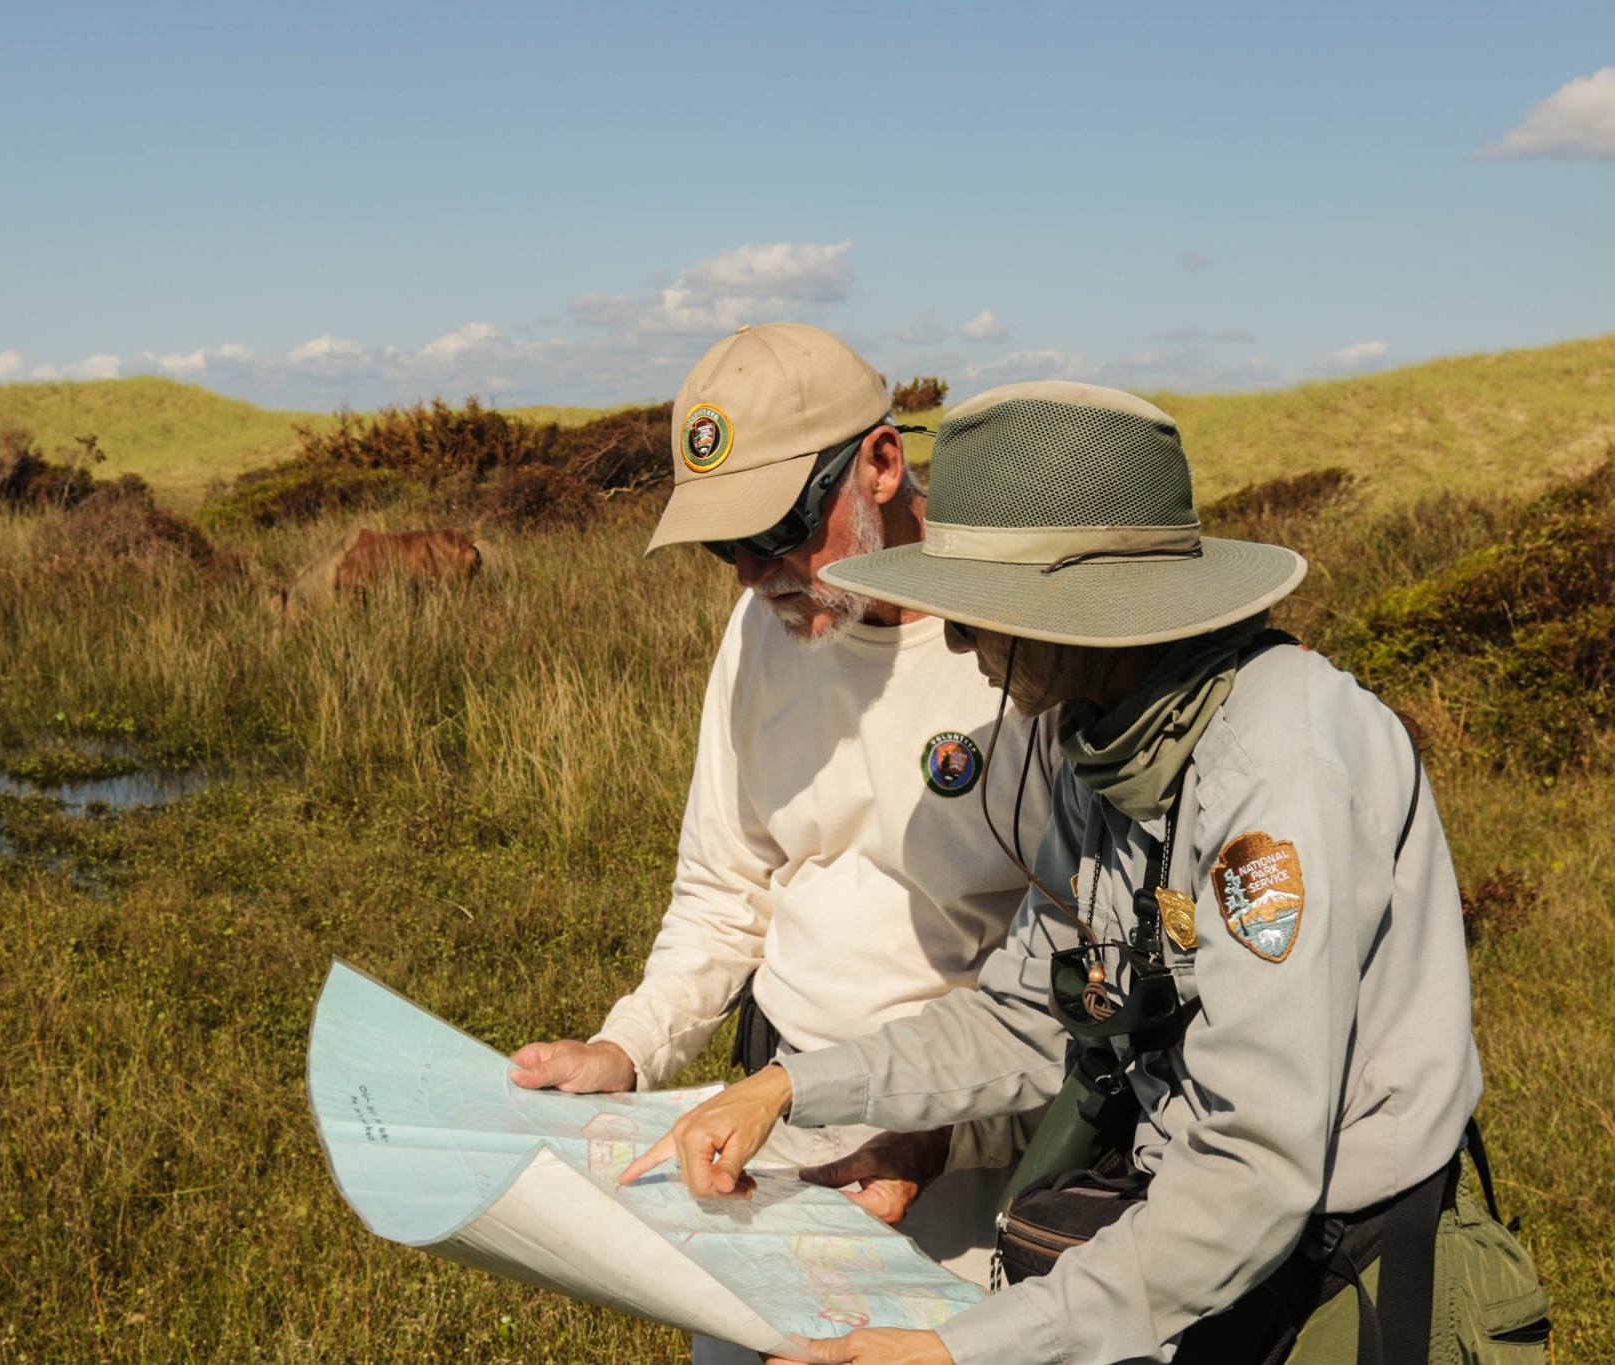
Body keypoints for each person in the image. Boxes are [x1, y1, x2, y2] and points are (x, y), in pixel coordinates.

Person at [622, 381, 1547, 1364]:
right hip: (1185, 1247)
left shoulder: (1277, 777)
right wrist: (783, 1089)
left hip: (1330, 1283)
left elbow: (1254, 1164)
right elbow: (1022, 1015)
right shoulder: (1096, 749)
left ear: (1088, 611)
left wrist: (958, 1352)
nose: (961, 640)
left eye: (981, 610)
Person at [507, 324, 1050, 1361]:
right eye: (728, 547)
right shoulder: (761, 630)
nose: (757, 575)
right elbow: (725, 886)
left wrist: (932, 1139)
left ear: (881, 463)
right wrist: (629, 1047)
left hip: (971, 1163)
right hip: (776, 1123)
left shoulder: (1026, 655)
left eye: (782, 532)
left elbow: (1070, 991)